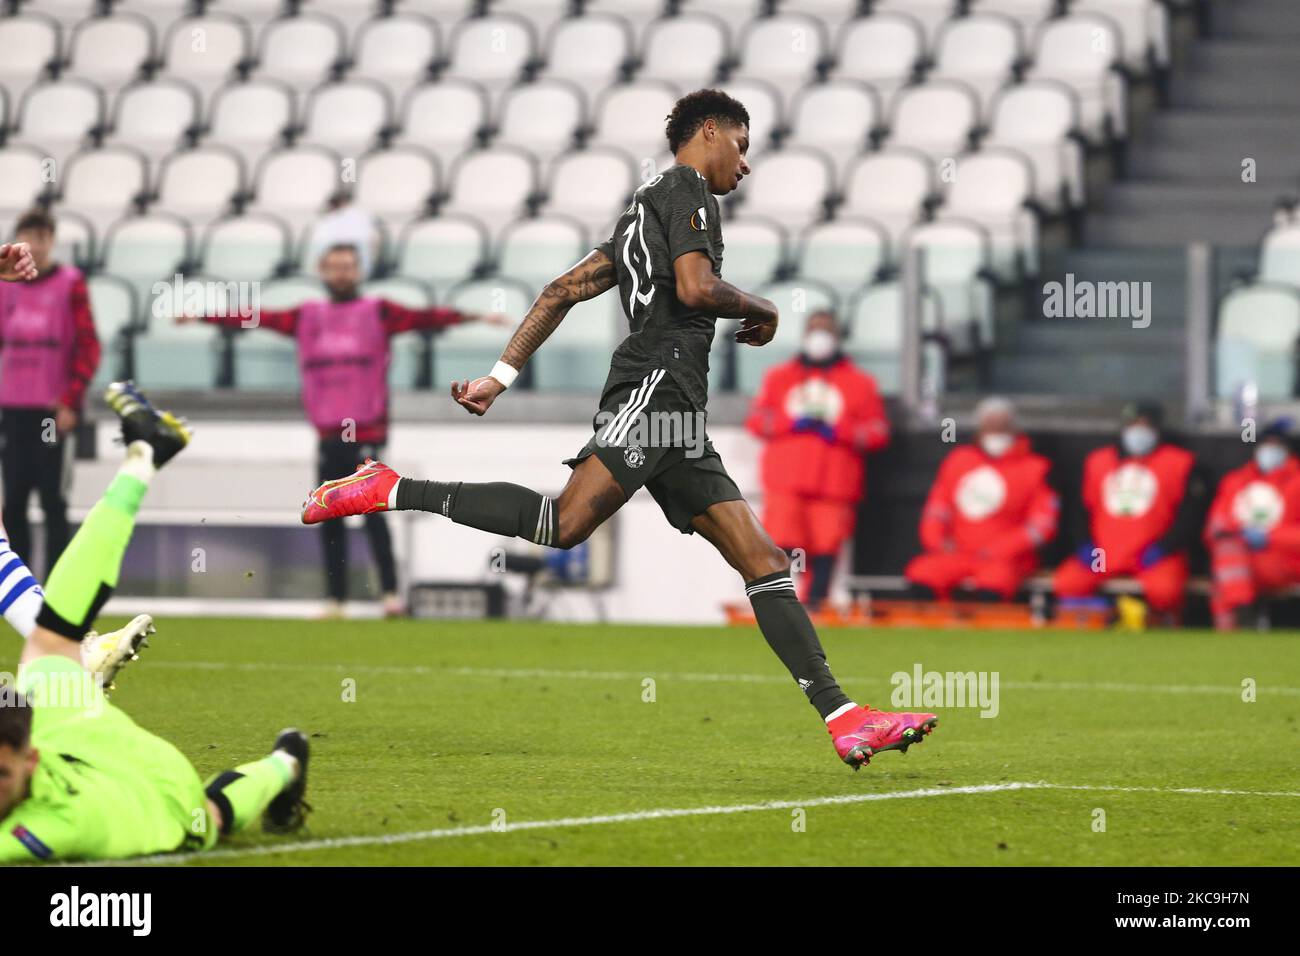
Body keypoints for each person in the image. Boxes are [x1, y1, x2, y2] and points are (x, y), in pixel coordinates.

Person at [301, 89, 938, 770]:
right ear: (710, 132)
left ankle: (845, 719)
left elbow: (561, 290)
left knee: (764, 562)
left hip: (681, 414)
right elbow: (695, 288)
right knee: (563, 523)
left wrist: (499, 375)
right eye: (742, 145)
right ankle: (393, 488)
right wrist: (765, 308)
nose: (745, 163)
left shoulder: (642, 210)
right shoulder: (687, 188)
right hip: (656, 387)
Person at [0, 379, 311, 862]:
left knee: (207, 817)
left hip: (159, 788)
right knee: (52, 636)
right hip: (77, 732)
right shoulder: (31, 741)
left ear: (29, 760)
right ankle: (143, 457)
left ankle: (286, 763)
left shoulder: (58, 825)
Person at [181, 242, 503, 617]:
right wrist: (204, 317)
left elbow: (426, 318)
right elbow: (257, 317)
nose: (341, 273)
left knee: (373, 511)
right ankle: (336, 599)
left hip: (367, 431)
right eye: (334, 266)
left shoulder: (378, 312)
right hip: (328, 434)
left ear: (358, 271)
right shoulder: (307, 316)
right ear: (322, 271)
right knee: (328, 511)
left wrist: (476, 317)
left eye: (347, 266)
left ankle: (389, 595)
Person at [744, 310, 890, 608]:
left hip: (834, 484)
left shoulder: (861, 383)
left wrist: (839, 430)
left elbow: (878, 432)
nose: (819, 336)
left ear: (838, 337)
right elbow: (757, 421)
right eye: (814, 329)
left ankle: (815, 607)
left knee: (826, 546)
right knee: (781, 542)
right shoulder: (779, 377)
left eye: (826, 330)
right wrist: (791, 423)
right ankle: (778, 605)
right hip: (787, 480)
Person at [0, 209, 101, 576]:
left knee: (52, 499)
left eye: (43, 237)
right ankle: (20, 586)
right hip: (12, 410)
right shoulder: (5, 284)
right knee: (13, 501)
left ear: (52, 241)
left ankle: (56, 589)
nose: (37, 245)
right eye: (29, 237)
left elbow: (89, 346)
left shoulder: (70, 284)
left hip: (50, 413)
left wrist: (71, 400)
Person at [1053, 401, 1206, 623]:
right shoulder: (1099, 462)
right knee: (1069, 583)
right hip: (1103, 555)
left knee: (1165, 590)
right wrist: (1085, 545)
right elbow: (1080, 510)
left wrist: (1164, 548)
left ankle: (1156, 626)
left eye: (1145, 426)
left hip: (1152, 556)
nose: (1138, 432)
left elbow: (1190, 517)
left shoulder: (1180, 463)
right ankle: (1096, 623)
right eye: (1133, 425)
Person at [906, 397, 1058, 601]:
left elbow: (1042, 526)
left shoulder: (1036, 468)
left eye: (1002, 427)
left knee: (993, 586)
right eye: (990, 426)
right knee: (922, 576)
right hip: (957, 553)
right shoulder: (958, 461)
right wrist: (937, 542)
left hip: (1007, 560)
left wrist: (1002, 549)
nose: (995, 433)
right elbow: (936, 510)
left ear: (1015, 429)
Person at [1204, 419, 1300, 631]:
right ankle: (1241, 612)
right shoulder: (1235, 481)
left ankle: (1238, 619)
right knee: (1228, 557)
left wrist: (1270, 537)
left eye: (1277, 445)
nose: (1270, 451)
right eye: (1266, 444)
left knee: (1226, 569)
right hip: (1239, 559)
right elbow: (1215, 525)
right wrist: (1238, 535)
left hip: (1287, 560)